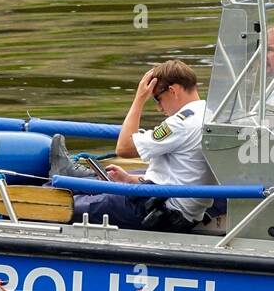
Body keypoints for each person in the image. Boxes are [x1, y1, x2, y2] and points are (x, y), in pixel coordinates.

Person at [66, 60, 217, 230]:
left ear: (173, 91)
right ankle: (65, 180)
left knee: (75, 205)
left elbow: (124, 148)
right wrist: (130, 179)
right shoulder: (209, 113)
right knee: (105, 186)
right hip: (177, 205)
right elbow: (183, 173)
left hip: (161, 210)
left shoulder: (181, 123)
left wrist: (139, 98)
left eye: (157, 99)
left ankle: (48, 193)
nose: (159, 108)